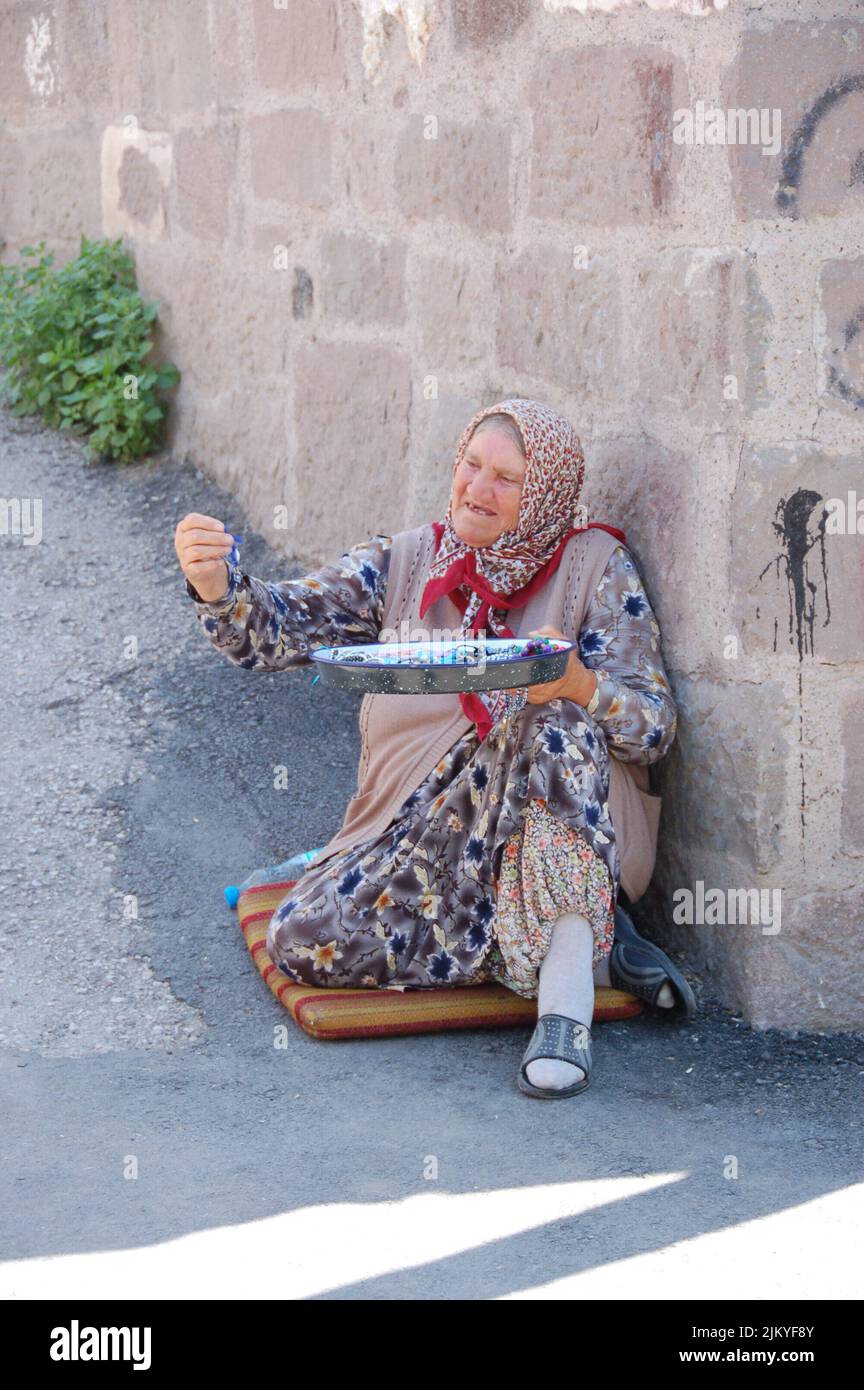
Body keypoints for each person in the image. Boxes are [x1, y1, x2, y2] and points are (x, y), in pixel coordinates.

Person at [175, 398, 684, 1100]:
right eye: (472, 465)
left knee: (551, 721)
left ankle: (567, 1001)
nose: (478, 490)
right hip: (428, 838)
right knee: (301, 937)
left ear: (545, 495)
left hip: (555, 813)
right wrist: (217, 585)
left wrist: (580, 685)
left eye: (507, 479)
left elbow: (653, 727)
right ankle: (554, 935)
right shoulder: (410, 561)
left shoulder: (594, 568)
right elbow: (282, 628)